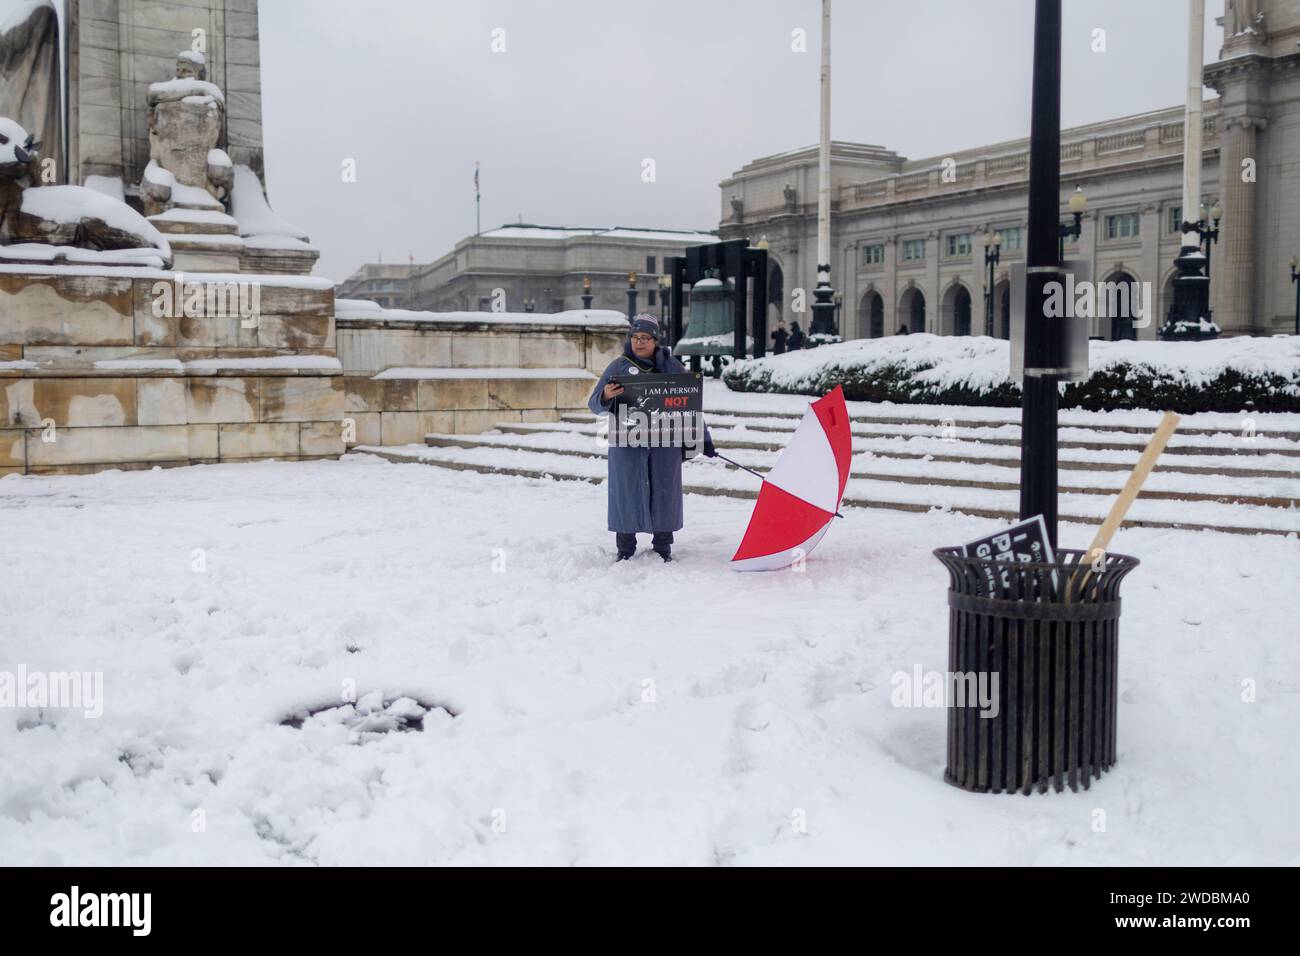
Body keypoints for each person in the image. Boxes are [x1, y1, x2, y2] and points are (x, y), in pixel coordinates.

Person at [588, 314, 716, 562]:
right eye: (635, 337)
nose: (639, 342)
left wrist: (705, 438)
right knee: (626, 492)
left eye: (645, 338)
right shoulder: (617, 367)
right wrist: (605, 395)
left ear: (655, 340)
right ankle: (625, 547)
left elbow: (690, 406)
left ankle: (663, 546)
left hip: (664, 443)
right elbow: (593, 404)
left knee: (664, 492)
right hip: (627, 444)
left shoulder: (673, 368)